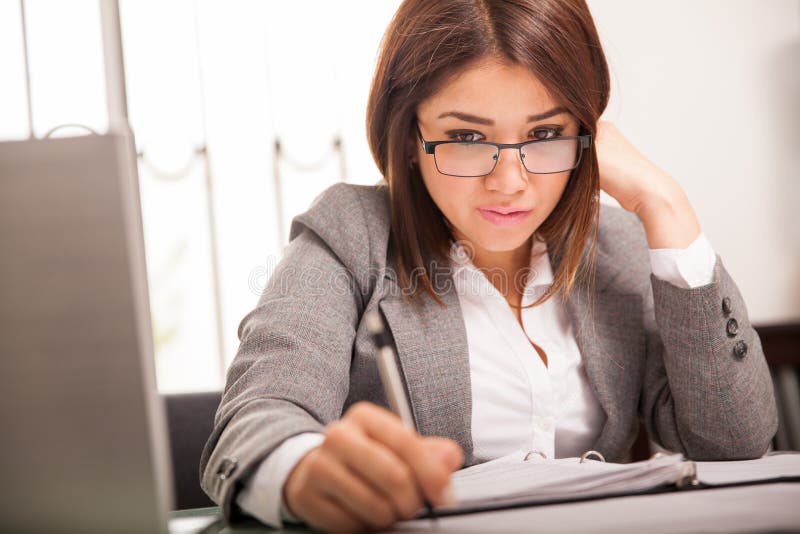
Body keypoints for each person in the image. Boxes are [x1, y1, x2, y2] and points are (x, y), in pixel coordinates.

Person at [200, 1, 778, 532]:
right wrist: (303, 470)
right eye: (467, 136)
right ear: (410, 136)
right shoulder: (353, 234)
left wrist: (665, 205)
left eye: (545, 134)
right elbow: (260, 413)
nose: (508, 182)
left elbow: (735, 439)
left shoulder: (619, 246)